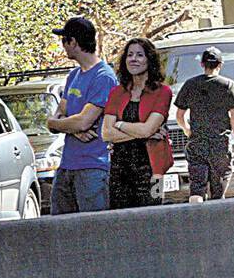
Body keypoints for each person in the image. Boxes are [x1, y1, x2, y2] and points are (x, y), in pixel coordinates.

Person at [47, 16, 118, 214]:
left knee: (93, 229)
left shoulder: (103, 77)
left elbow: (82, 121)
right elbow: (56, 117)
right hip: (67, 165)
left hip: (93, 166)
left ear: (74, 43)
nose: (63, 46)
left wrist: (70, 125)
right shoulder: (73, 76)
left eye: (64, 41)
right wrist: (72, 129)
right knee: (60, 227)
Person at [102, 37, 172, 209]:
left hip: (154, 168)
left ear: (149, 59)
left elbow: (147, 130)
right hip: (120, 169)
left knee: (154, 217)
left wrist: (119, 124)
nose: (133, 59)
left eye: (139, 55)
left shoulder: (163, 92)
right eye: (130, 55)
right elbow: (106, 133)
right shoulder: (117, 92)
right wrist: (141, 132)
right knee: (120, 220)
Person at [174, 47, 234, 202]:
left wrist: (187, 129)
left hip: (197, 143)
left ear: (202, 64)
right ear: (220, 64)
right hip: (219, 145)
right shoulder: (228, 85)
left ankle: (198, 218)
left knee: (197, 189)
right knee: (218, 193)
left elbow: (179, 115)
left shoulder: (190, 85)